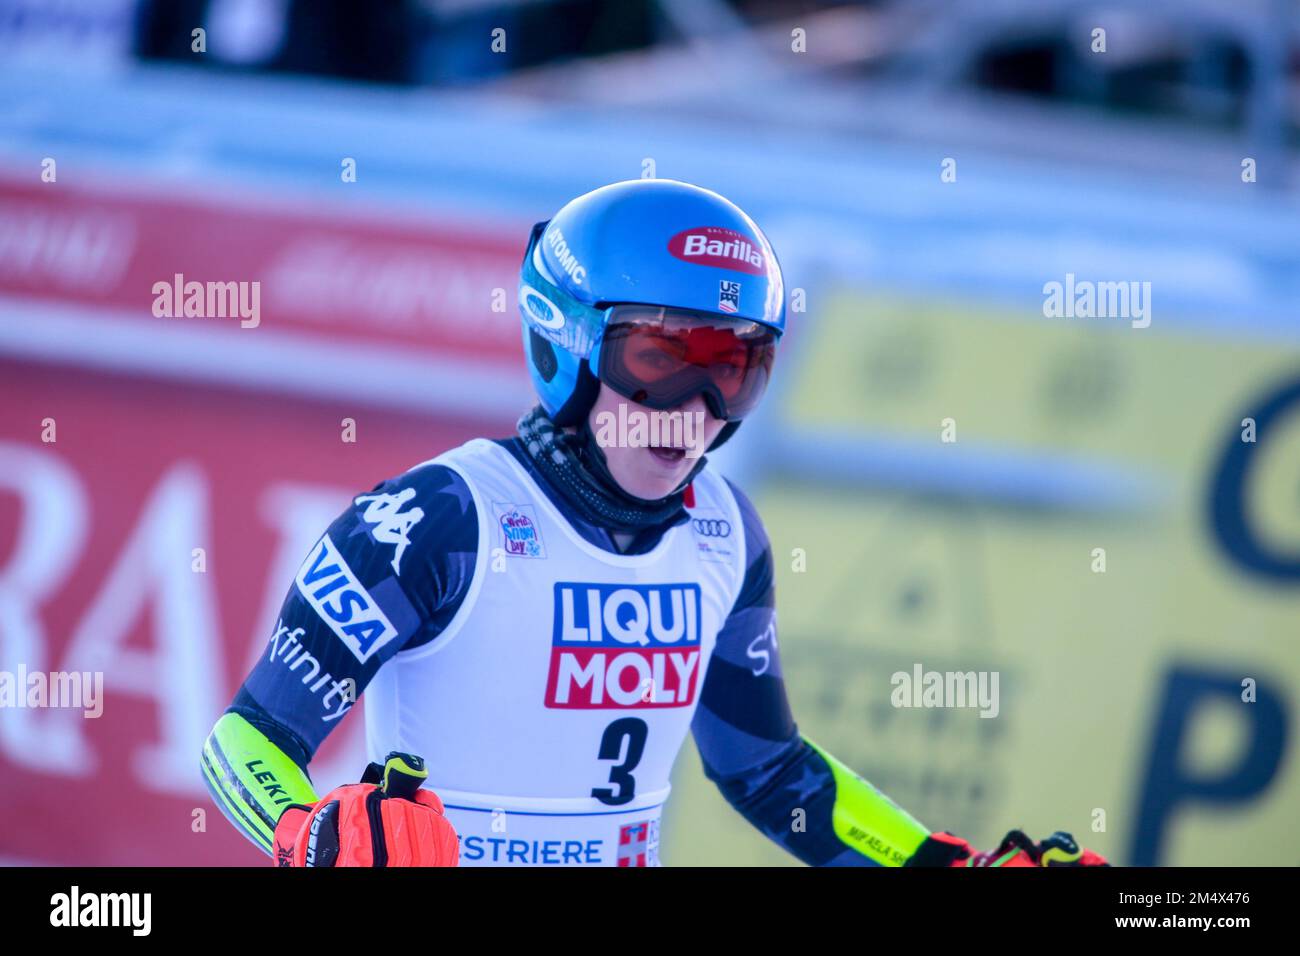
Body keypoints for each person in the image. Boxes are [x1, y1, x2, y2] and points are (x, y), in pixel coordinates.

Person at [201, 179, 1106, 868]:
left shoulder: (724, 533)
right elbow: (243, 742)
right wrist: (308, 829)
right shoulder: (438, 522)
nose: (697, 410)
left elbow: (767, 771)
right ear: (568, 345)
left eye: (738, 368)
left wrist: (936, 863)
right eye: (662, 358)